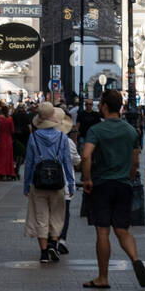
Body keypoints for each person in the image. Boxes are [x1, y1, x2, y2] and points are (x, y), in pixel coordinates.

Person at [81, 89, 145, 289]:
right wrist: (127, 178)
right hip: (123, 185)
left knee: (102, 232)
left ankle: (103, 278)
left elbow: (86, 156)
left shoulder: (96, 130)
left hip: (102, 184)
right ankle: (135, 259)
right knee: (122, 230)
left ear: (103, 106)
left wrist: (87, 179)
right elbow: (135, 160)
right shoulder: (130, 130)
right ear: (120, 107)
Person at [22, 103, 75, 264]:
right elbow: (67, 162)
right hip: (58, 183)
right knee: (57, 216)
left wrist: (26, 185)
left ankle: (44, 253)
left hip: (38, 183)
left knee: (41, 217)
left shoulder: (33, 137)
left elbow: (29, 163)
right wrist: (71, 184)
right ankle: (53, 243)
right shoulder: (62, 137)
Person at [50, 107, 82, 255]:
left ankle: (50, 241)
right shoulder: (69, 143)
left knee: (49, 212)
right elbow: (77, 161)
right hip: (64, 183)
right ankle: (61, 240)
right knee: (64, 213)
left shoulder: (40, 138)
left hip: (45, 182)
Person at [0, 103, 16, 181]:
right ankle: (7, 174)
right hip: (8, 139)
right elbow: (12, 130)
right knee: (8, 157)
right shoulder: (10, 119)